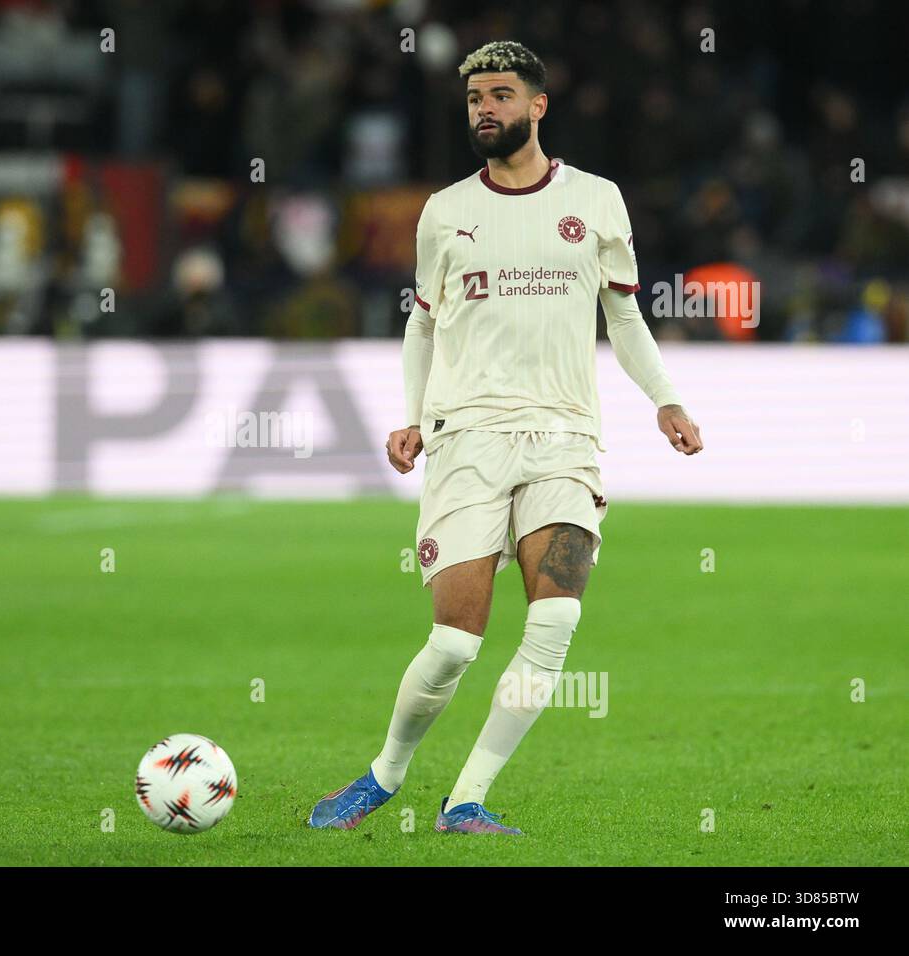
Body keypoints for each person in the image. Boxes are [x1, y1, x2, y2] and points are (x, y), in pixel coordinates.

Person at [308, 40, 703, 836]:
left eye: (498, 96)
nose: (484, 109)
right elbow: (421, 323)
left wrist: (664, 398)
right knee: (455, 642)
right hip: (468, 440)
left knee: (554, 624)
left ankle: (467, 799)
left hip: (564, 438)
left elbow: (622, 315)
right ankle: (385, 774)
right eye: (473, 99)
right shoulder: (445, 212)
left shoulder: (596, 201)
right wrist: (413, 414)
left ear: (537, 106)